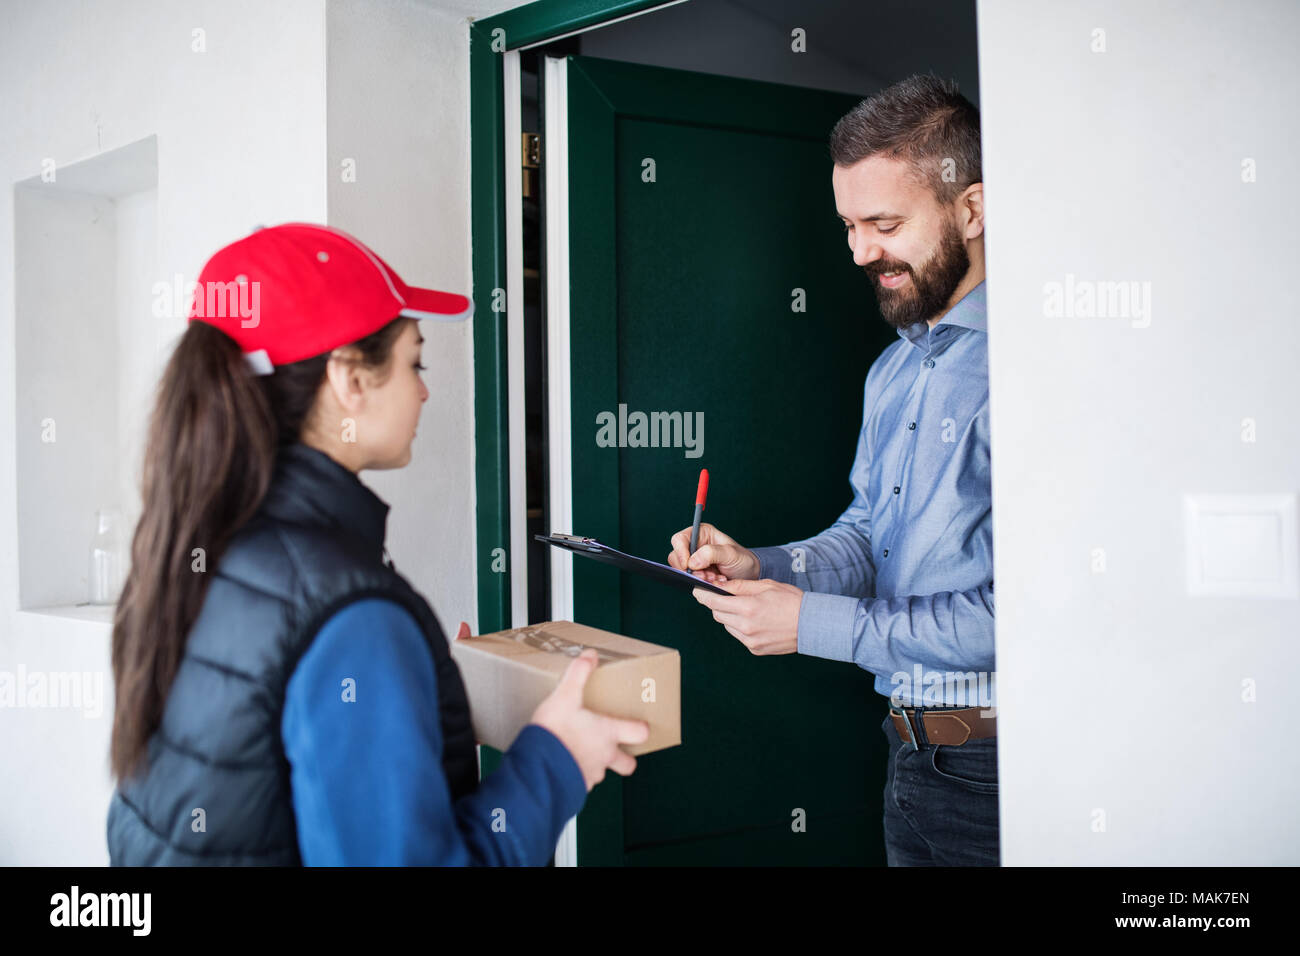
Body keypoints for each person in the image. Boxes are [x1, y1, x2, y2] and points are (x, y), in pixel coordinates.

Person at [107, 222, 648, 865]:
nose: (423, 389)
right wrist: (558, 760)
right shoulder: (349, 615)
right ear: (349, 382)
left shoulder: (193, 548)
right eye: (413, 361)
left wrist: (422, 696)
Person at [667, 75, 996, 866]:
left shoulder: (1038, 371)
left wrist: (808, 625)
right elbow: (867, 536)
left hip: (1007, 773)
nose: (859, 253)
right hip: (912, 761)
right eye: (849, 226)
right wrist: (767, 566)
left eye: (884, 224)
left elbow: (1021, 618)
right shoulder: (892, 371)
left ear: (973, 210)